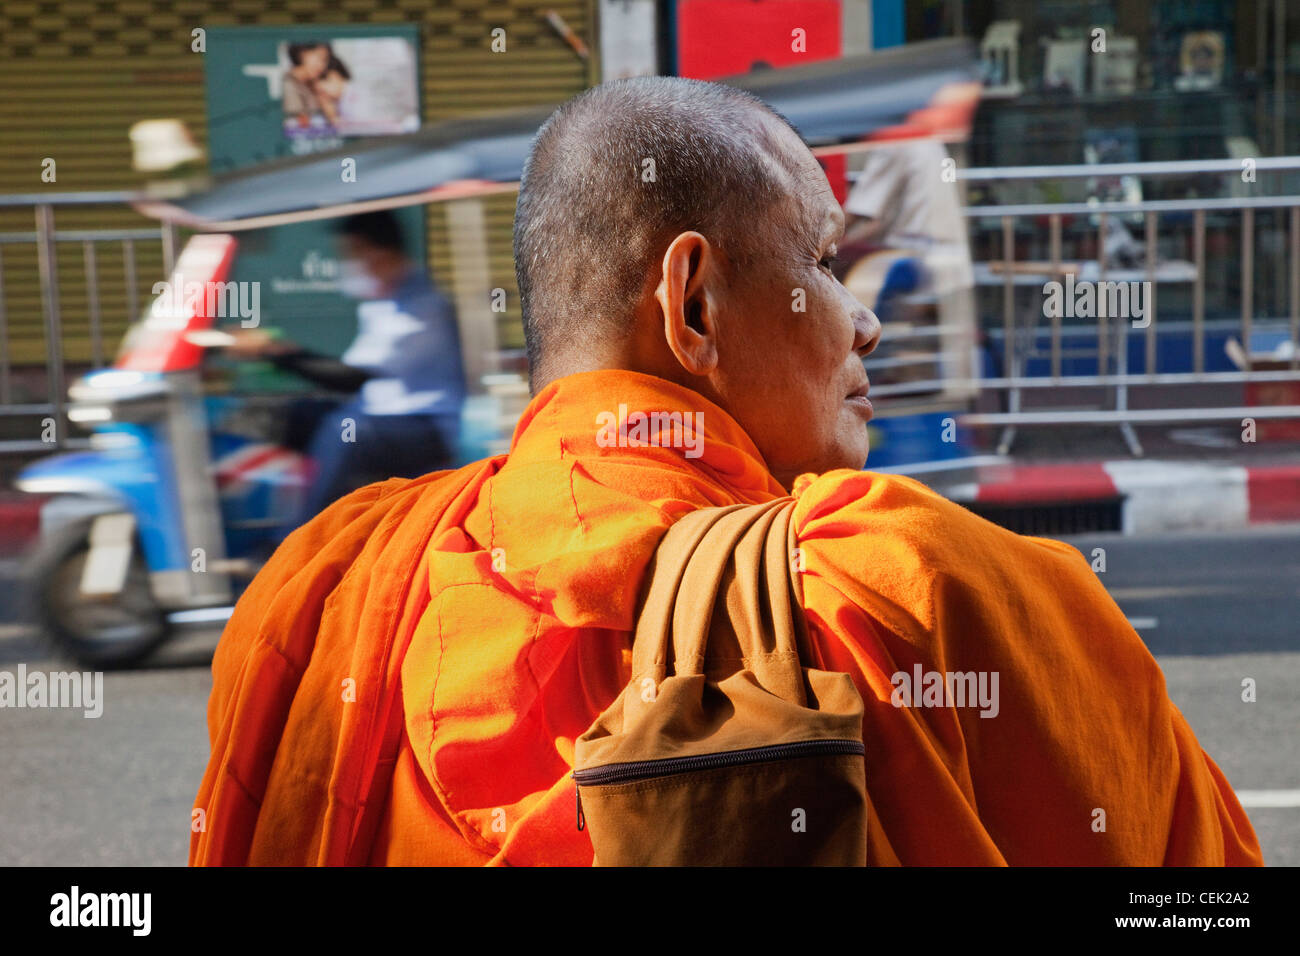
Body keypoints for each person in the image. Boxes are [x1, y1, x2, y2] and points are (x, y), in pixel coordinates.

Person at [192, 76, 1262, 866]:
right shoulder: (904, 592)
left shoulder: (328, 586)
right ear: (693, 305)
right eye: (826, 262)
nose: (867, 321)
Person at [227, 210, 465, 538]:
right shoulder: (385, 303)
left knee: (345, 431)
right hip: (383, 416)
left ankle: (300, 540)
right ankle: (279, 514)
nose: (349, 264)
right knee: (295, 416)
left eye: (353, 254)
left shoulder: (423, 308)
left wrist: (275, 352)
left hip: (423, 429)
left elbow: (352, 377)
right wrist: (277, 353)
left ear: (379, 254)